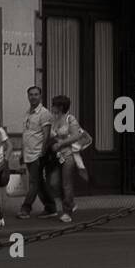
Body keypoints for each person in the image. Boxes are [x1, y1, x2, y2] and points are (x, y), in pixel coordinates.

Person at [17, 86, 57, 219]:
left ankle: (25, 209)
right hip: (28, 153)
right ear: (28, 96)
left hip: (37, 154)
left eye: (36, 94)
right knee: (39, 182)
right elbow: (26, 134)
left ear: (40, 96)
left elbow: (46, 135)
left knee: (34, 182)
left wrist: (42, 152)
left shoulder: (44, 113)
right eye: (31, 94)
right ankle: (51, 208)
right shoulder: (27, 113)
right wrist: (22, 153)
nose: (33, 97)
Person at [47, 96, 87, 224]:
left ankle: (67, 212)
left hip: (68, 155)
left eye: (54, 105)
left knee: (66, 183)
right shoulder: (53, 119)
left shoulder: (70, 119)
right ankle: (70, 202)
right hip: (57, 156)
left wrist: (61, 143)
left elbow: (76, 136)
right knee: (53, 183)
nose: (52, 107)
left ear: (61, 107)